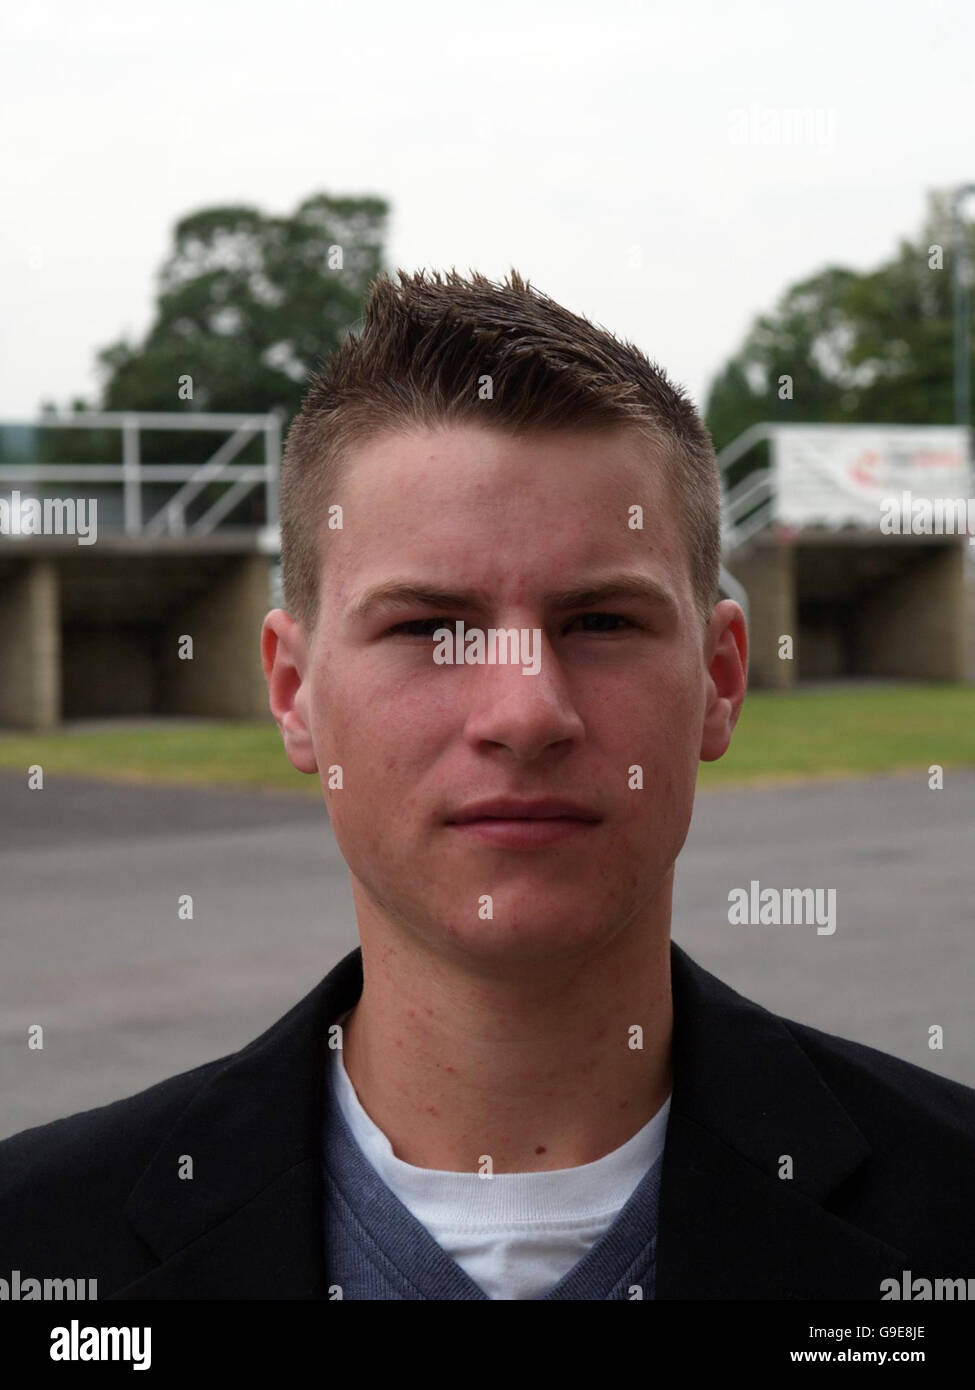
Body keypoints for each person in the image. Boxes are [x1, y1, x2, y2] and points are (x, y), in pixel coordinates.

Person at [1, 268, 973, 1300]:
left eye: (602, 622)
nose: (525, 713)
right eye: (428, 627)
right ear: (293, 692)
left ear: (719, 680)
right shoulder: (41, 1247)